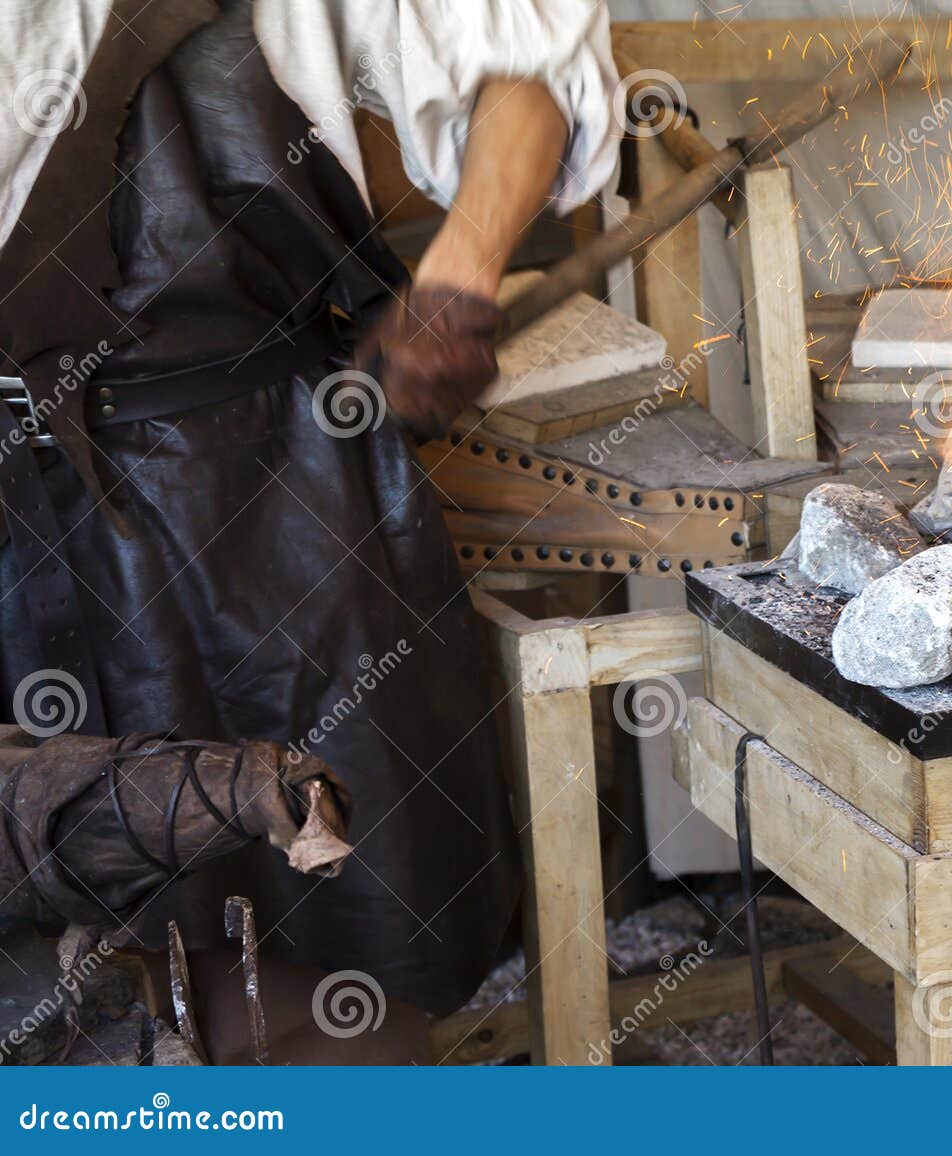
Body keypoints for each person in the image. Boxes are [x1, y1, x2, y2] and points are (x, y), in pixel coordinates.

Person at [0, 0, 618, 1017]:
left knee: (329, 950)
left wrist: (459, 277)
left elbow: (528, 68)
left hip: (268, 503)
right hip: (25, 535)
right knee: (65, 974)